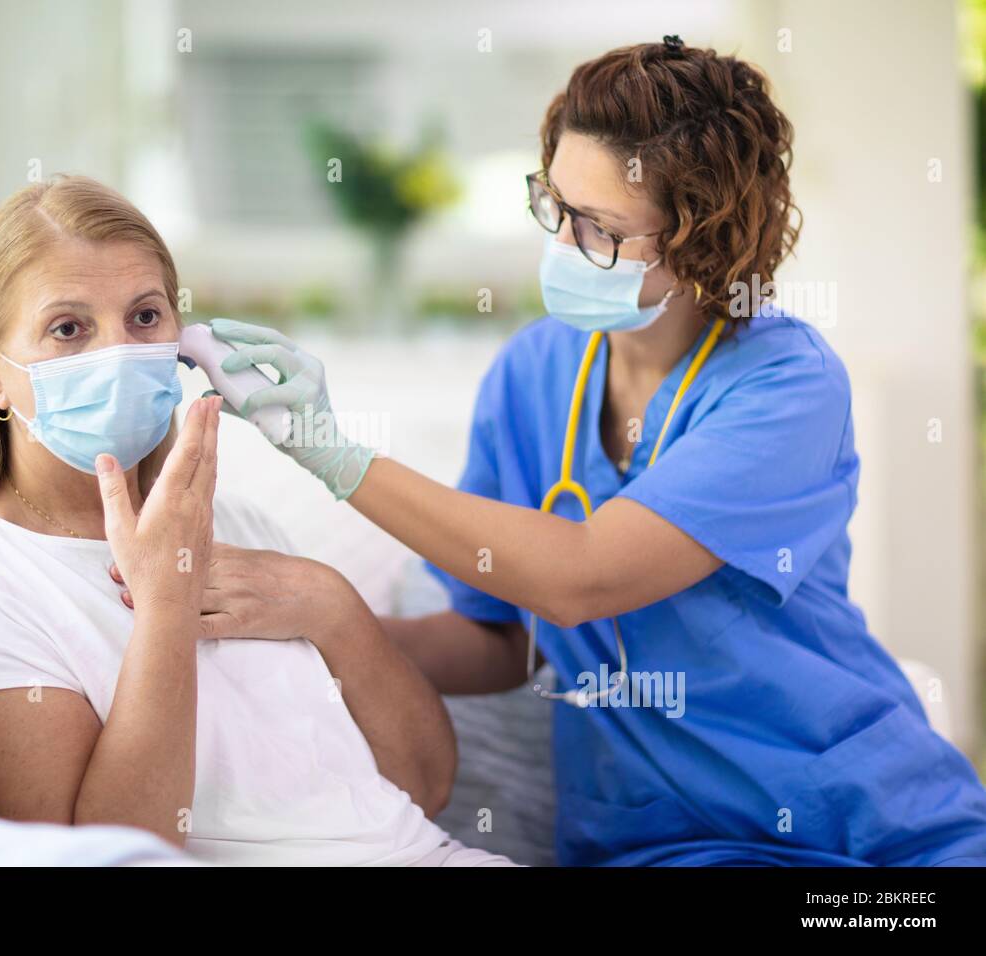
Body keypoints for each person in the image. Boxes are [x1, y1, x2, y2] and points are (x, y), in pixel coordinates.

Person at [207, 37, 986, 866]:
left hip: (870, 836)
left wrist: (333, 455)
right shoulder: (531, 374)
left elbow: (583, 578)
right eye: (556, 206)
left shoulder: (786, 387)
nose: (564, 246)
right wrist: (321, 624)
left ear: (701, 241)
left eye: (601, 230)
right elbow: (502, 643)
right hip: (652, 845)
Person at [0, 175, 513, 866]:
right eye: (68, 328)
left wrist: (329, 605)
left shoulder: (243, 525)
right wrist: (164, 608)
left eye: (144, 317)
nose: (118, 353)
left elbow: (425, 787)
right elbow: (105, 858)